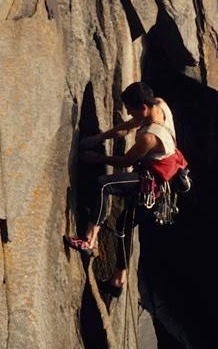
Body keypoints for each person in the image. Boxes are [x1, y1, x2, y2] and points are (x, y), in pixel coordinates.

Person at [64, 81, 186, 292]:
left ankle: (88, 240)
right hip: (159, 176)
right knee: (123, 227)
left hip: (153, 186)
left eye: (130, 108)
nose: (128, 112)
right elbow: (127, 128)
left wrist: (96, 158)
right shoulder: (159, 105)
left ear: (143, 108)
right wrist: (99, 138)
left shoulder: (150, 137)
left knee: (104, 186)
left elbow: (126, 162)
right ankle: (118, 280)